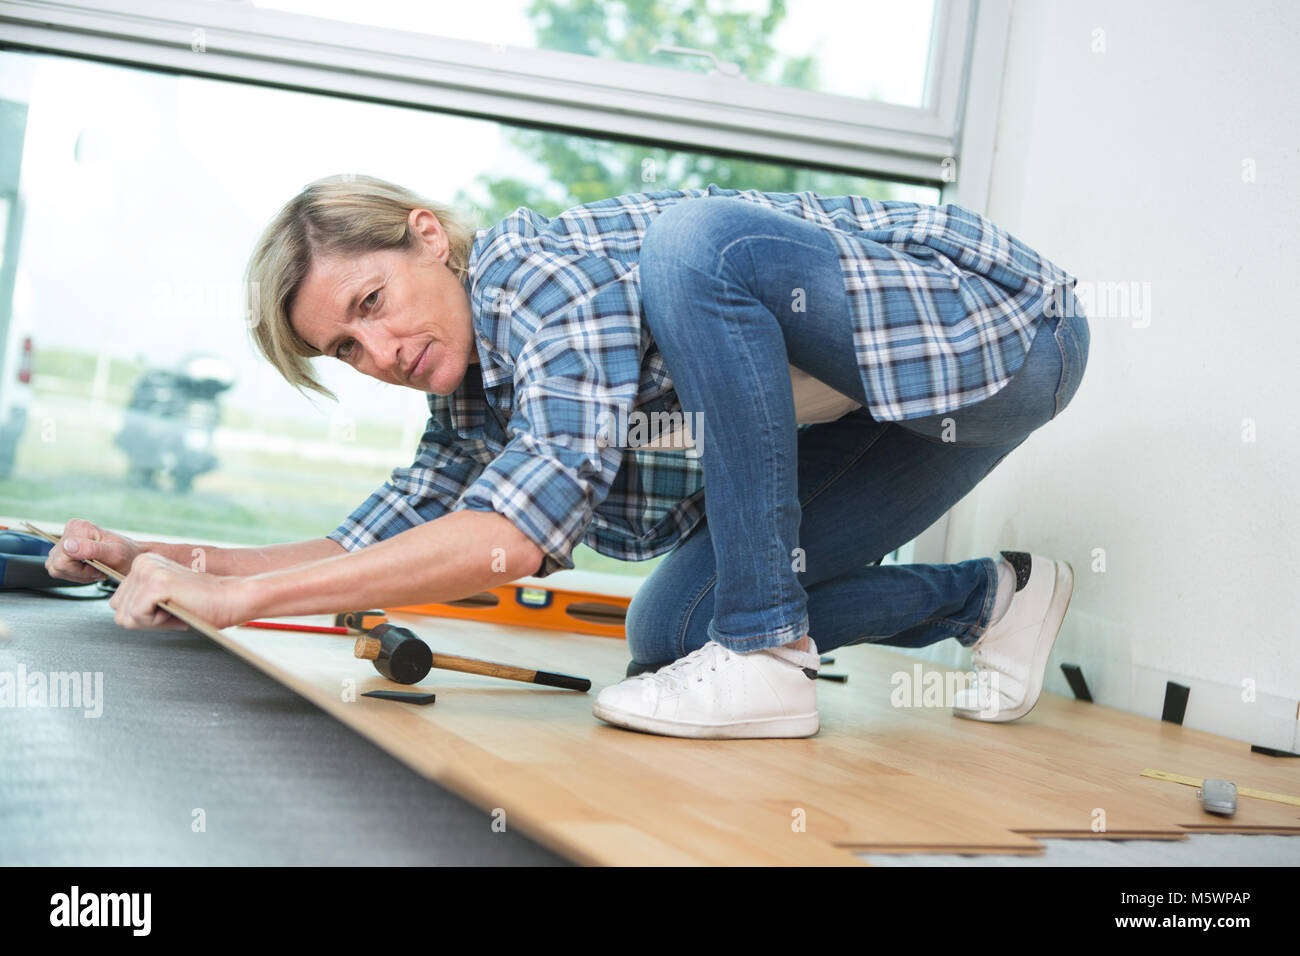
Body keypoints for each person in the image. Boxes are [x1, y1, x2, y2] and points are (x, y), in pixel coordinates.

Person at [45, 174, 1090, 740]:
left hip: (997, 341)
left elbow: (510, 538)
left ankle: (768, 656)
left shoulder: (536, 278)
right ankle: (988, 599)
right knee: (669, 631)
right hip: (891, 422)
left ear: (428, 237)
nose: (381, 353)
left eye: (372, 304)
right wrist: (175, 560)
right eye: (346, 349)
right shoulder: (467, 390)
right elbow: (376, 536)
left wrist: (233, 603)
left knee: (694, 246)